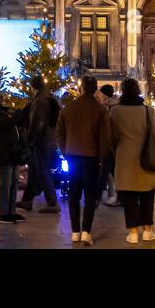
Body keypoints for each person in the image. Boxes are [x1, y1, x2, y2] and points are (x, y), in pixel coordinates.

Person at [55, 75, 112, 245]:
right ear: (94, 89)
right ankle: (86, 232)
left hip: (72, 156)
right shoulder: (100, 110)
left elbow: (59, 133)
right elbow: (105, 138)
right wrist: (102, 159)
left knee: (73, 194)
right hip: (92, 158)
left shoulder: (69, 108)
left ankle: (74, 231)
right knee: (90, 196)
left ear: (81, 88)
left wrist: (65, 152)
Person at [110, 78, 155, 243]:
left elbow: (110, 136)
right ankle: (148, 230)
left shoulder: (115, 111)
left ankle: (133, 232)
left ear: (123, 91)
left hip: (124, 158)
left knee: (129, 196)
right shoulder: (147, 111)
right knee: (148, 194)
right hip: (144, 157)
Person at [0, 87, 27, 223]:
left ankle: (11, 211)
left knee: (14, 182)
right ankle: (3, 213)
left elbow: (12, 123)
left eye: (1, 95)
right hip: (4, 151)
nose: (1, 98)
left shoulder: (3, 111)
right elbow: (6, 124)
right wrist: (17, 114)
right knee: (6, 183)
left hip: (13, 151)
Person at [19, 75, 60, 214]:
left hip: (42, 141)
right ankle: (27, 200)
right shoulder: (46, 97)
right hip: (48, 139)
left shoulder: (39, 101)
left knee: (43, 171)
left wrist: (32, 140)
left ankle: (53, 203)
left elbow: (38, 122)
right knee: (36, 171)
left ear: (33, 86)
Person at [98, 84, 119, 206]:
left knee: (110, 171)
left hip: (111, 144)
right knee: (110, 171)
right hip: (111, 144)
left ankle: (114, 195)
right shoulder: (110, 106)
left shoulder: (111, 107)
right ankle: (113, 194)